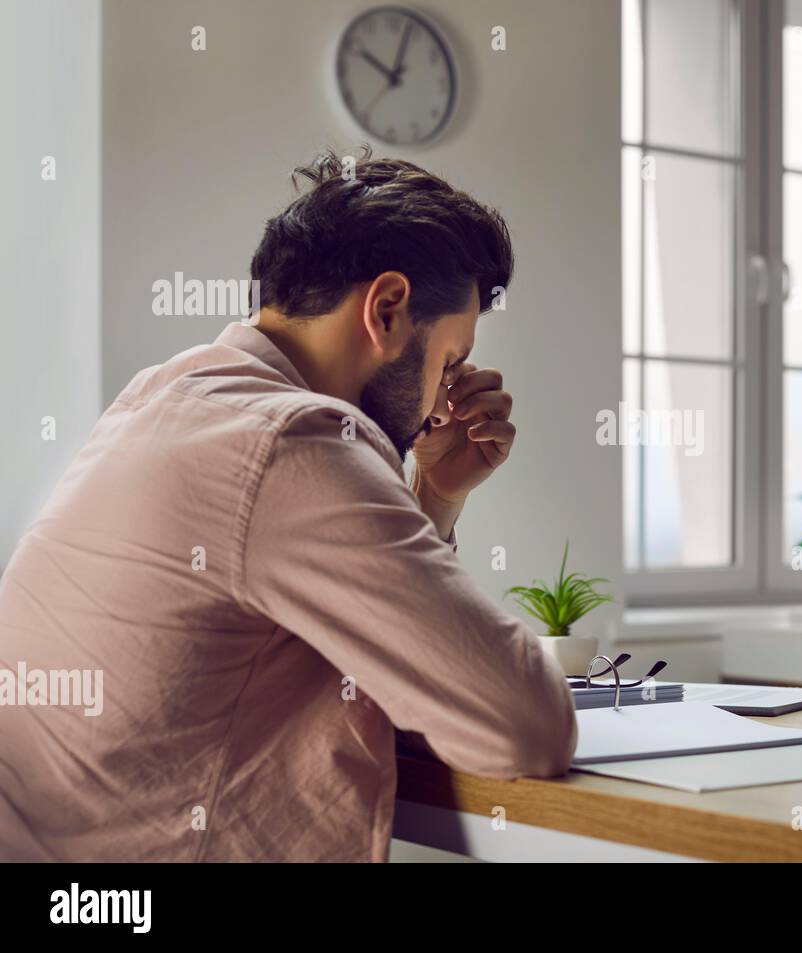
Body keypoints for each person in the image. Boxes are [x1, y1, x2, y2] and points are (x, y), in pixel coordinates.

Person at [0, 148, 577, 861]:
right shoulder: (293, 439)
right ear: (388, 308)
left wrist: (437, 492)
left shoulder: (168, 396)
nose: (444, 400)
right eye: (450, 363)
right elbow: (524, 723)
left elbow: (379, 650)